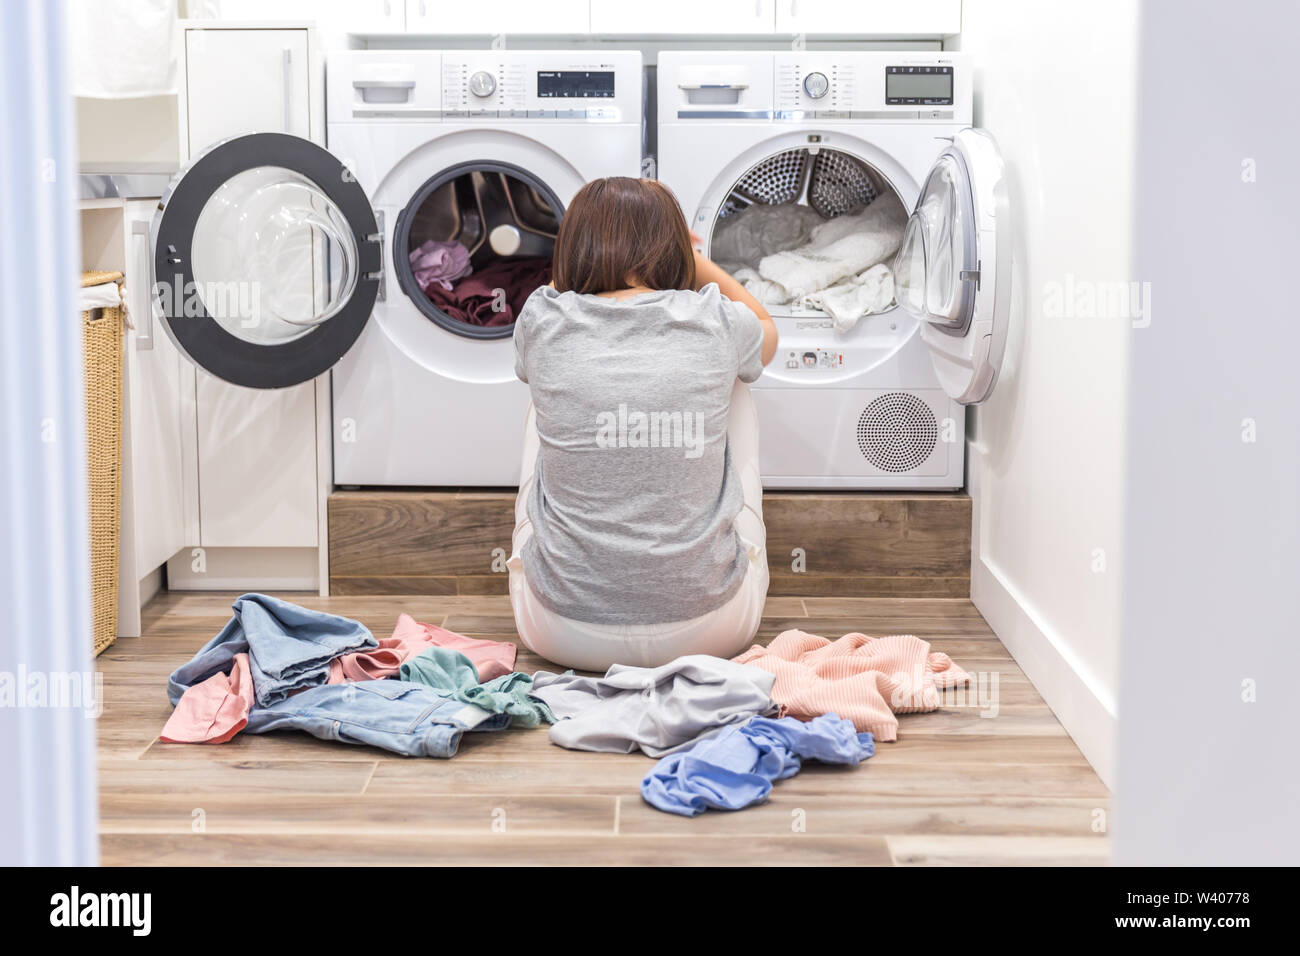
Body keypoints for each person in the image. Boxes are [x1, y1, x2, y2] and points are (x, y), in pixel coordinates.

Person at [506, 177, 779, 671]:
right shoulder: (715, 317)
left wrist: (585, 260)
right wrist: (697, 262)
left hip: (558, 630)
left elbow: (561, 292)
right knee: (738, 378)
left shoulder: (540, 320)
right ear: (671, 247)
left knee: (543, 402)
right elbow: (768, 332)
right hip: (714, 627)